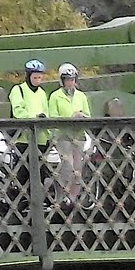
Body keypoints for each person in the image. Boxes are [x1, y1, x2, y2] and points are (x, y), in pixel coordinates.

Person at [46, 63, 92, 204]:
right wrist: (69, 118)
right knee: (66, 167)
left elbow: (88, 115)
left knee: (78, 169)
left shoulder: (81, 96)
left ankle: (73, 199)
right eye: (67, 79)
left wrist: (81, 116)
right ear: (62, 80)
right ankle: (61, 198)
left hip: (78, 135)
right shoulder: (55, 96)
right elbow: (53, 117)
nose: (70, 82)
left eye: (72, 79)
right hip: (63, 136)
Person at [8, 58, 51, 200]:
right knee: (22, 175)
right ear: (28, 76)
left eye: (40, 77)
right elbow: (18, 110)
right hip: (24, 139)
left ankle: (34, 202)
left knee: (40, 174)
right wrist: (34, 117)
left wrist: (48, 133)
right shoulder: (18, 90)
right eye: (35, 77)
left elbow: (47, 111)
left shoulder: (42, 93)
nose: (38, 80)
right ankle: (18, 203)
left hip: (40, 139)